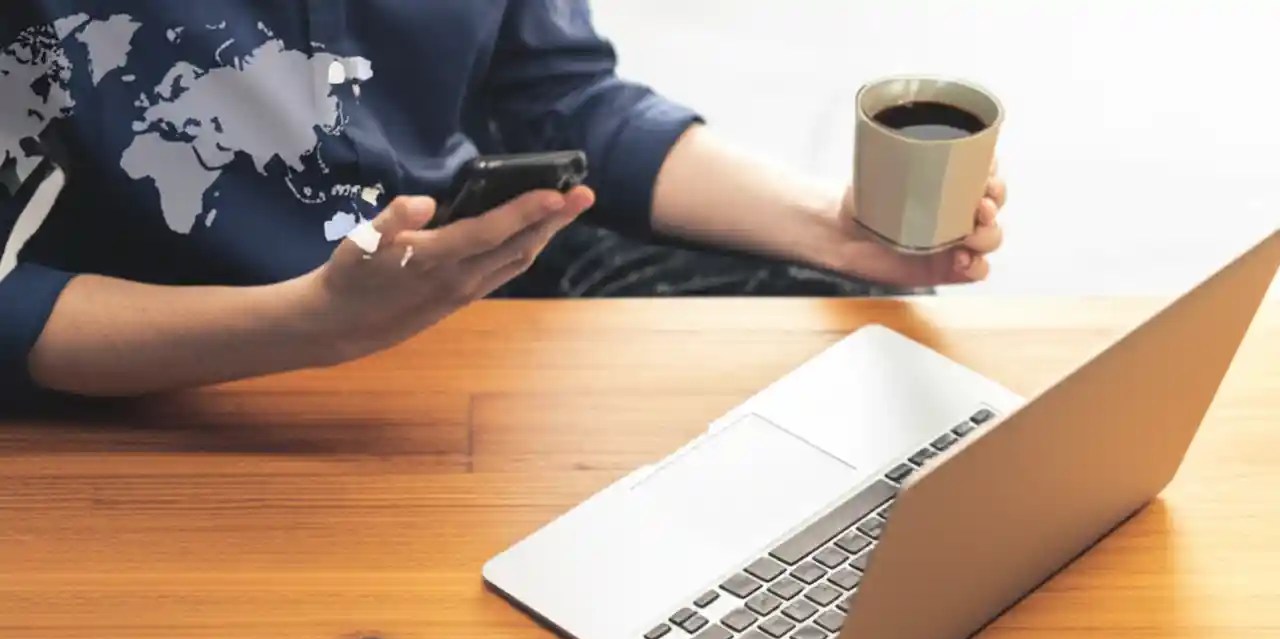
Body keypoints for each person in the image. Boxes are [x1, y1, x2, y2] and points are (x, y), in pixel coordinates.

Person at [0, 2, 1006, 405]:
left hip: (464, 282)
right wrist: (310, 324)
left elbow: (556, 99)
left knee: (859, 363)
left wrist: (832, 227)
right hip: (186, 358)